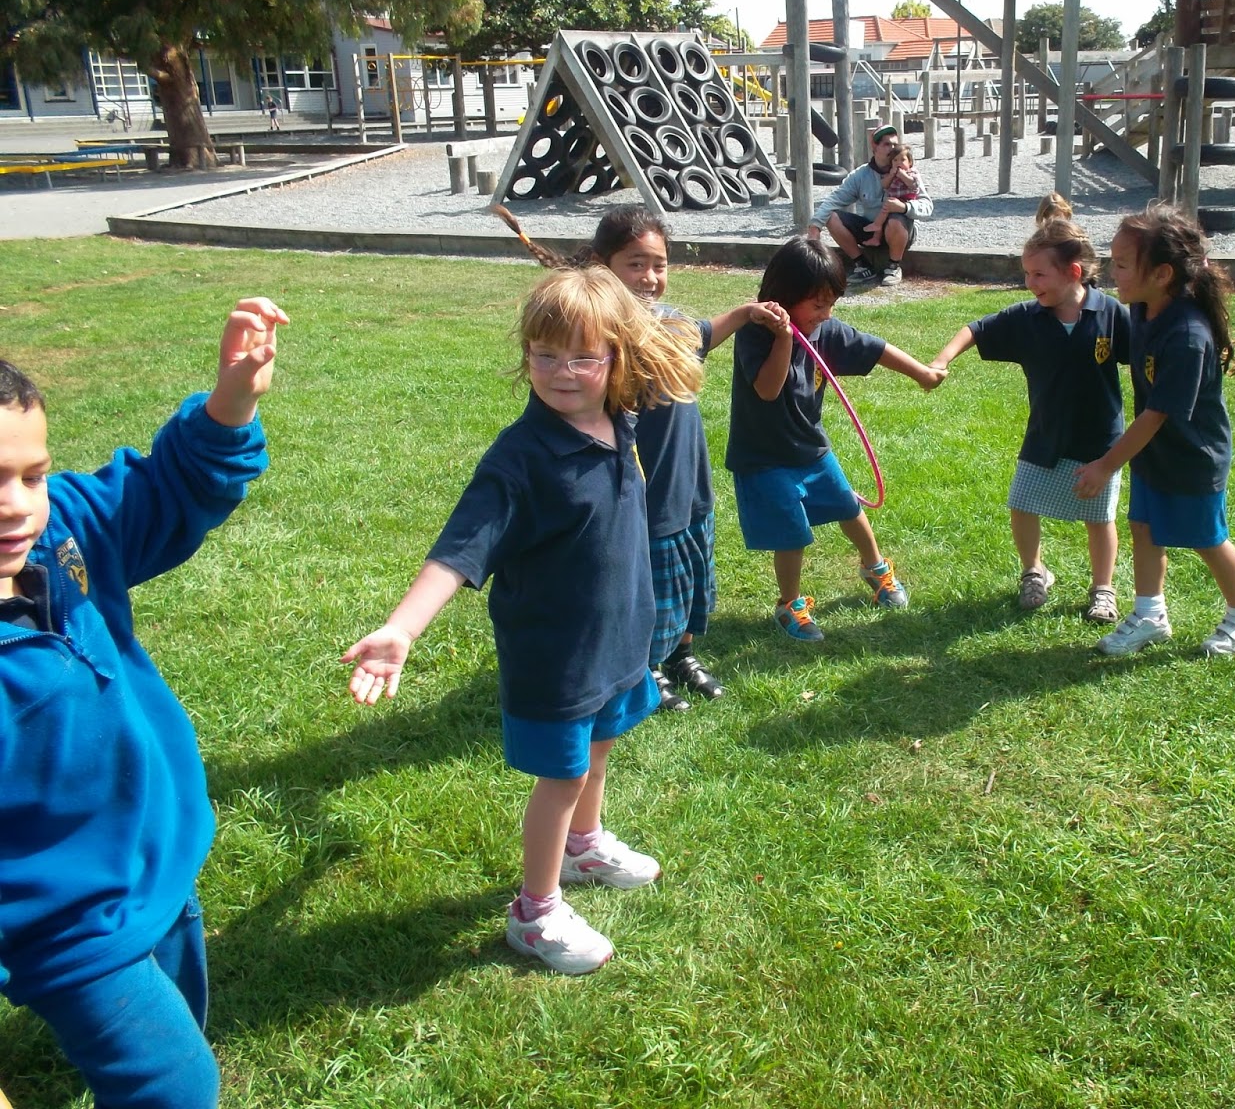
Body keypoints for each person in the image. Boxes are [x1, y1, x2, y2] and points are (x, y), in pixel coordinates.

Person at [341, 266, 704, 975]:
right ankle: (535, 912)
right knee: (562, 778)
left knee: (600, 748)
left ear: (618, 358)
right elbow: (459, 549)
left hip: (616, 644)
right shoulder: (521, 458)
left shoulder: (620, 418)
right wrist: (403, 628)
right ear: (525, 354)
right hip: (557, 660)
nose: (562, 372)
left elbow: (683, 339)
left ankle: (583, 847)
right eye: (545, 354)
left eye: (583, 357)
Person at [1, 298, 287, 1109]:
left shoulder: (62, 534)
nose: (16, 503)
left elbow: (165, 490)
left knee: (179, 1021)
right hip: (64, 922)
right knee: (179, 1086)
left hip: (158, 858)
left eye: (30, 474)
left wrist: (232, 398)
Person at [574, 206, 784, 712]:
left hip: (690, 483)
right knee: (651, 587)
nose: (650, 276)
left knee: (693, 580)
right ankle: (645, 668)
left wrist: (746, 313)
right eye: (635, 264)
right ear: (603, 265)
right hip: (644, 493)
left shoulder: (671, 322)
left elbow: (704, 334)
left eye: (659, 264)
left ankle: (681, 655)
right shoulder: (599, 336)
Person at [1074, 203, 1235, 658]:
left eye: (1123, 265)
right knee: (1143, 527)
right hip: (1154, 453)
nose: (1113, 273)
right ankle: (1150, 615)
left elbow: (1156, 415)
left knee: (1206, 538)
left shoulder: (1186, 336)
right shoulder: (1144, 310)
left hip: (1191, 456)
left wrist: (1106, 465)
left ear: (1162, 274)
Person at [726, 236, 945, 642]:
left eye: (831, 304)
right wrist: (785, 337)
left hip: (811, 448)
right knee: (791, 533)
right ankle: (789, 604)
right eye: (817, 305)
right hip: (765, 457)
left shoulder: (825, 329)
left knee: (848, 506)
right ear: (784, 296)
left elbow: (874, 348)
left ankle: (875, 567)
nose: (826, 314)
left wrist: (922, 373)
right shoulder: (756, 332)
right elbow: (768, 390)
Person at [930, 197, 1129, 621]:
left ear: (1072, 272)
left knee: (1099, 517)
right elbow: (976, 329)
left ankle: (1103, 589)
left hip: (1099, 440)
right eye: (1026, 273)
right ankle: (1034, 571)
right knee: (1022, 503)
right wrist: (941, 360)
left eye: (1038, 274)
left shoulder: (1109, 312)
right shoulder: (1028, 318)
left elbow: (1147, 353)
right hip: (1045, 435)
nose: (1029, 283)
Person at [808, 124, 934, 289]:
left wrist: (904, 207)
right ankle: (862, 266)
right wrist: (815, 225)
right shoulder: (860, 175)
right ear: (875, 147)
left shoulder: (909, 173)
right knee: (832, 217)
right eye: (887, 144)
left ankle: (893, 267)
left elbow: (927, 206)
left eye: (895, 144)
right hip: (871, 230)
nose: (892, 149)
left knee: (896, 219)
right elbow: (834, 199)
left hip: (900, 230)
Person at [861, 142, 924, 248]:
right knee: (883, 213)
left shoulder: (911, 172)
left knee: (886, 213)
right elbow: (884, 185)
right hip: (893, 199)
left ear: (910, 162)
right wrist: (891, 175)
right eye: (895, 160)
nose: (899, 163)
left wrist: (903, 175)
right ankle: (876, 237)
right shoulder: (891, 173)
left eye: (902, 160)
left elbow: (913, 185)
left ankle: (877, 225)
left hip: (906, 200)